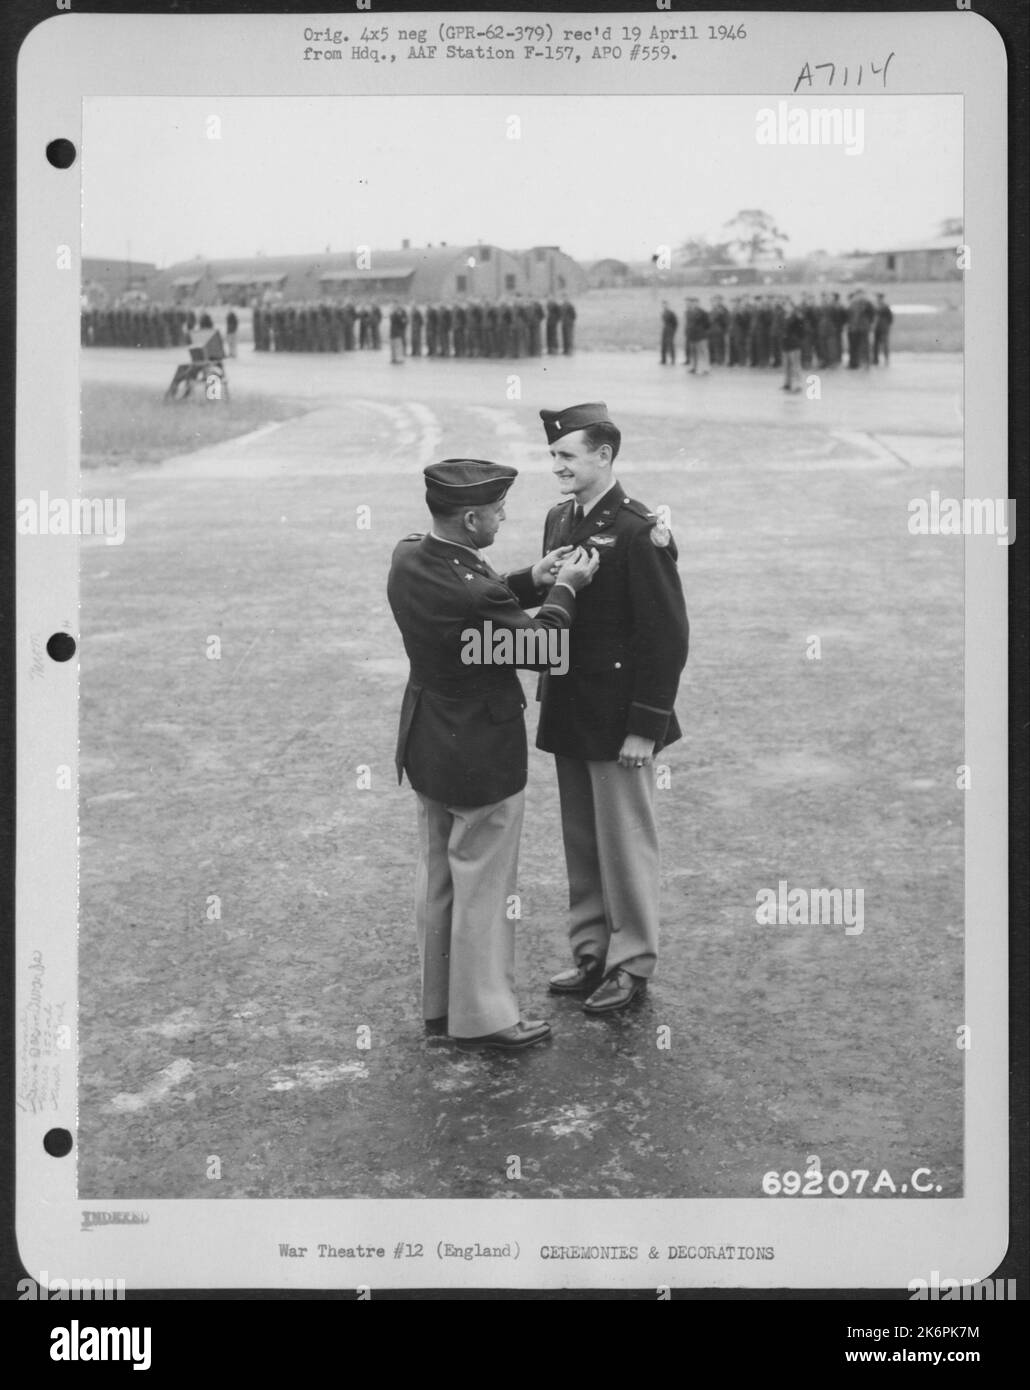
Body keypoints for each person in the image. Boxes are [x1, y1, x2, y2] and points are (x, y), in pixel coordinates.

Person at [388, 460, 599, 1049]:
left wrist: (532, 577)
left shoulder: (410, 555)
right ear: (472, 516)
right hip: (480, 752)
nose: (506, 517)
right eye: (499, 510)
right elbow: (543, 645)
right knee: (483, 888)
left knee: (440, 880)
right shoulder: (474, 590)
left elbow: (474, 604)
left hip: (429, 740)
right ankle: (485, 1018)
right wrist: (564, 589)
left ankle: (440, 1006)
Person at [505, 403, 689, 1015]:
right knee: (582, 840)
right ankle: (590, 952)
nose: (555, 465)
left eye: (566, 455)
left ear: (604, 456)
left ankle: (631, 961)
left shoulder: (640, 530)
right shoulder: (561, 518)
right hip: (571, 708)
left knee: (625, 841)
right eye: (554, 455)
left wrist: (646, 727)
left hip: (618, 721)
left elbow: (666, 636)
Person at [872, 293, 893, 365]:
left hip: (883, 328)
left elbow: (890, 318)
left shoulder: (884, 306)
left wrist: (887, 325)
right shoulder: (876, 306)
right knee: (875, 344)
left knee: (884, 344)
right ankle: (875, 359)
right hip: (877, 328)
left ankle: (885, 359)